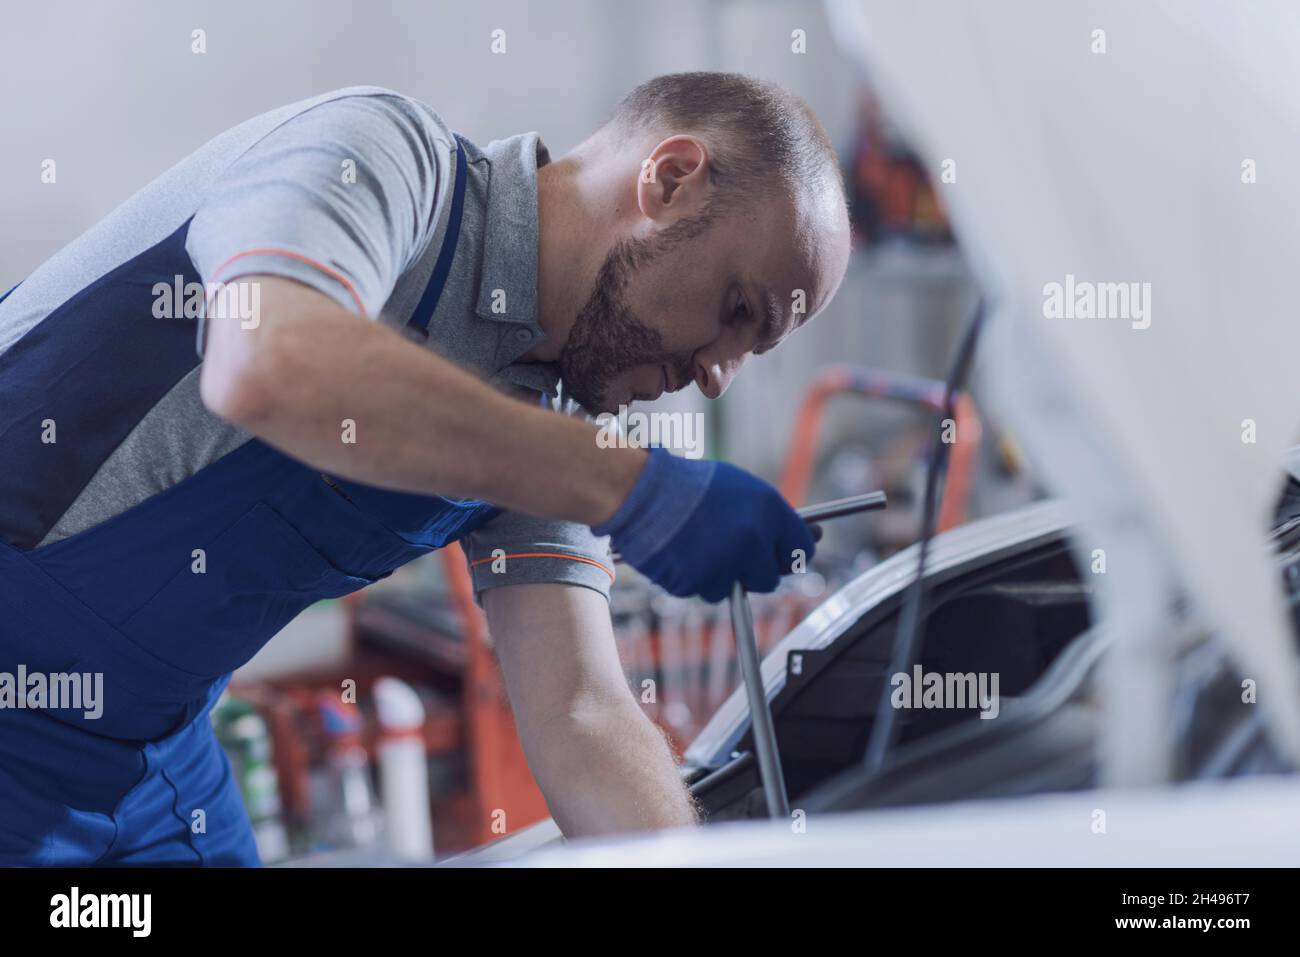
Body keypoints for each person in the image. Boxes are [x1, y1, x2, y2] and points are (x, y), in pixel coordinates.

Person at [0, 72, 851, 864]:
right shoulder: (383, 158)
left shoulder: (558, 415)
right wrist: (628, 485)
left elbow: (579, 706)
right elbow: (269, 360)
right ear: (669, 180)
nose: (715, 374)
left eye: (755, 350)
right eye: (739, 310)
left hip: (144, 748)